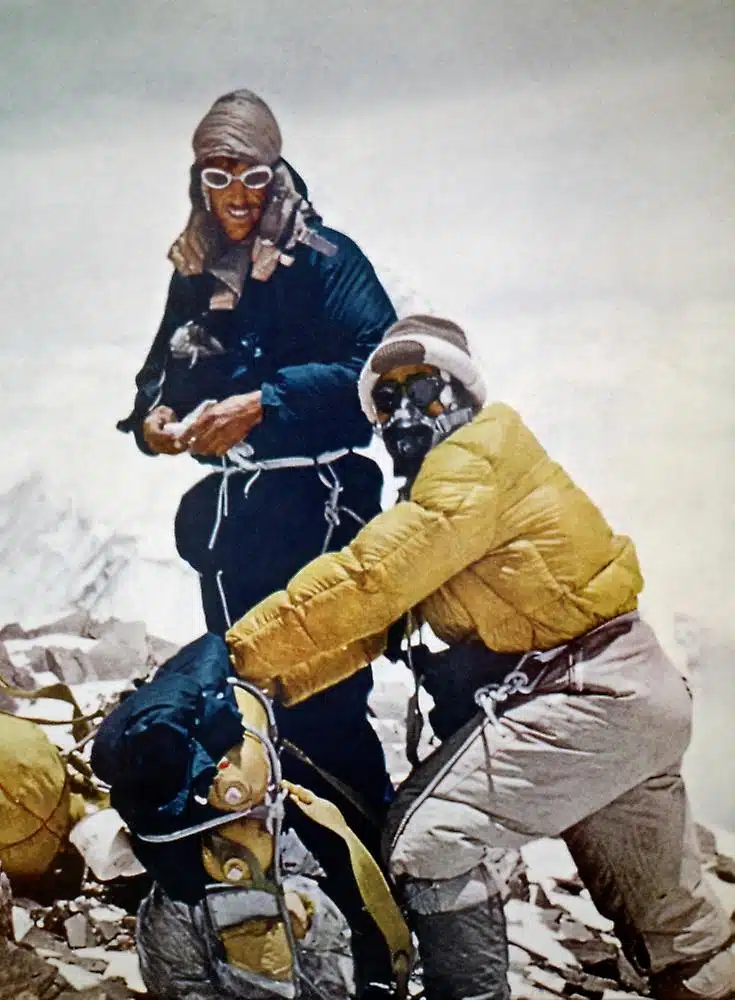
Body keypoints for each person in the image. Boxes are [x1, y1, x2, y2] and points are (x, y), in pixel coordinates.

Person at [226, 314, 735, 1000]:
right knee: (679, 933)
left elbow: (367, 581)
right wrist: (272, 681)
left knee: (426, 839)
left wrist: (235, 654)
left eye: (423, 388)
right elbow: (376, 627)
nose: (404, 411)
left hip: (589, 697)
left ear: (463, 393)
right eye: (386, 398)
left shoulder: (471, 462)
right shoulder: (460, 485)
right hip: (633, 698)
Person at [116, 88, 397, 992]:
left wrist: (264, 403)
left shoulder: (325, 258)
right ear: (197, 182)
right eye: (217, 177)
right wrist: (155, 422)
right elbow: (155, 376)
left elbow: (377, 366)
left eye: (251, 175)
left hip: (316, 510)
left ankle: (376, 929)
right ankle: (289, 921)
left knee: (325, 714)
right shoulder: (196, 268)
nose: (236, 194)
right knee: (248, 710)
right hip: (235, 525)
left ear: (277, 173)